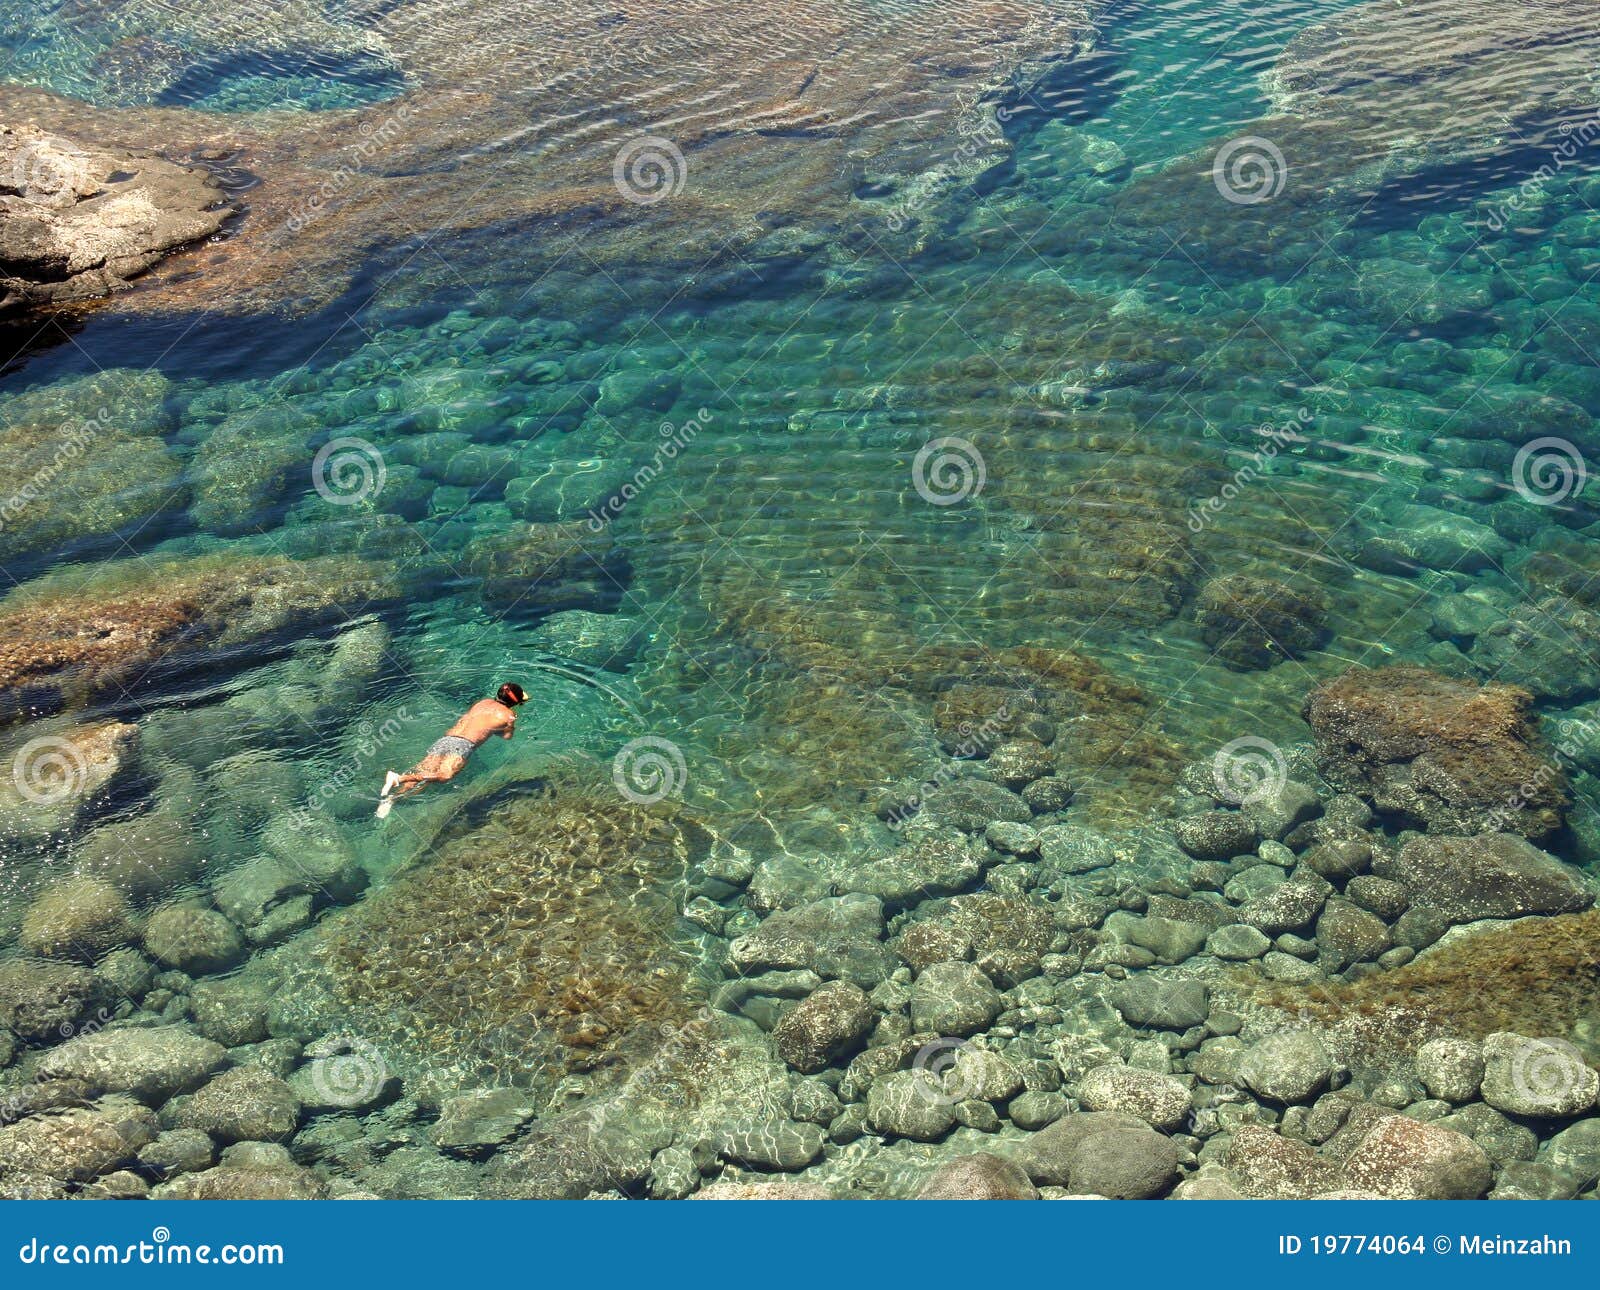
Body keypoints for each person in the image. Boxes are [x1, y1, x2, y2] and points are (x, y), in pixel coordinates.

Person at [376, 683, 526, 817]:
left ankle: (391, 800)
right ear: (515, 701)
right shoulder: (509, 715)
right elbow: (507, 736)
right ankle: (398, 779)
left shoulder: (483, 702)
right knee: (445, 776)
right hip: (463, 744)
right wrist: (510, 723)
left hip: (446, 739)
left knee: (425, 777)